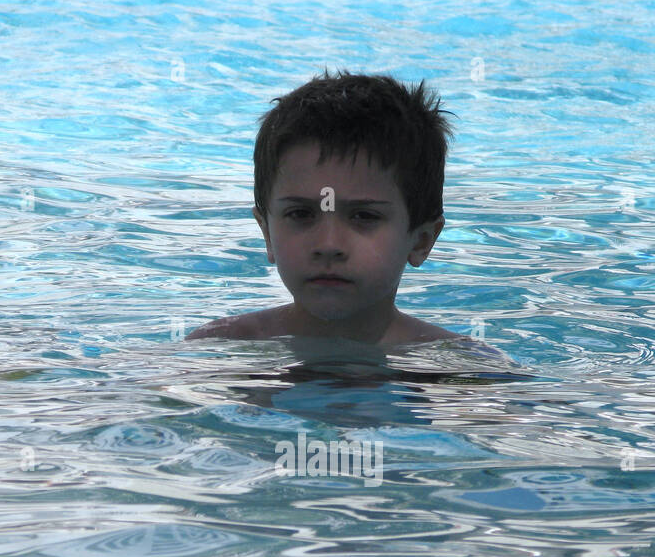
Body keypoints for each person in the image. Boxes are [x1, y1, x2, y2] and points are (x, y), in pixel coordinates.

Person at [187, 70, 467, 351]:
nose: (328, 245)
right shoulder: (219, 351)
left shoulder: (456, 372)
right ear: (267, 234)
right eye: (301, 214)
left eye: (363, 216)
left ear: (421, 241)